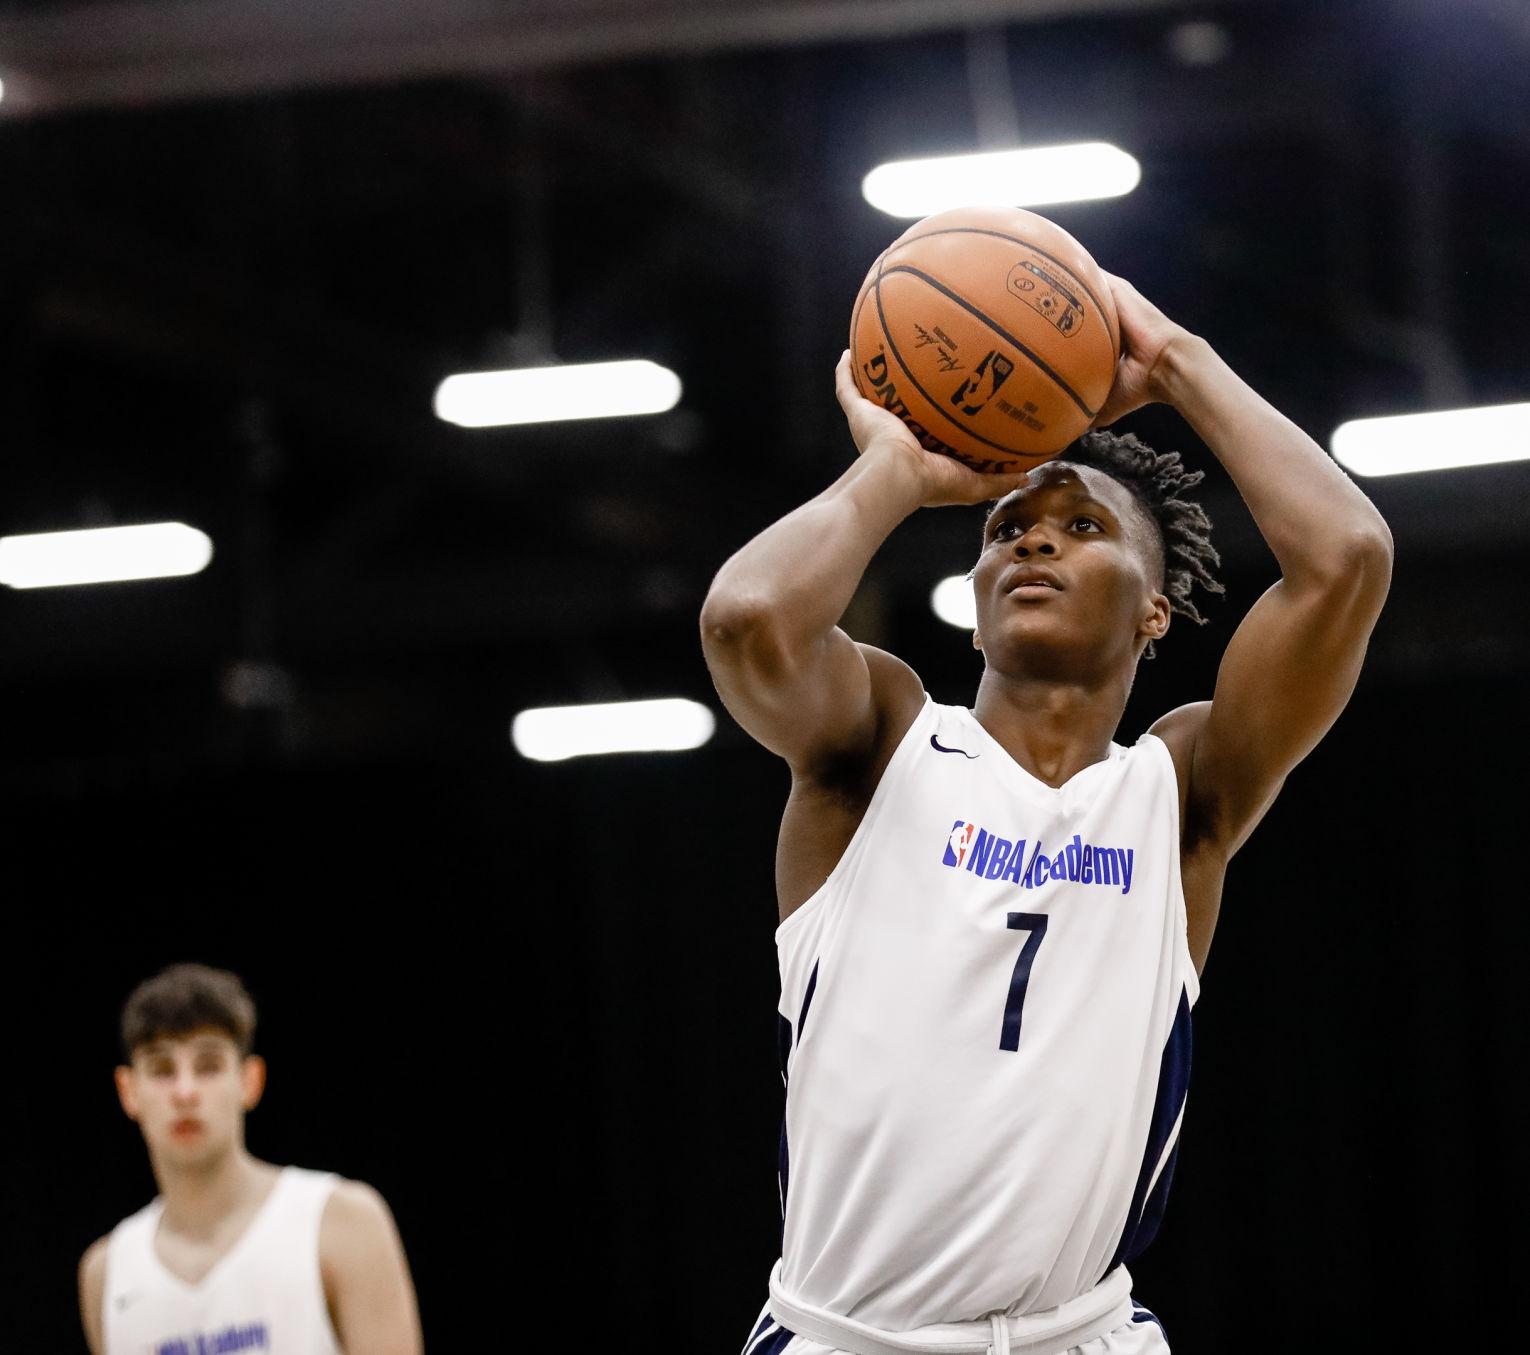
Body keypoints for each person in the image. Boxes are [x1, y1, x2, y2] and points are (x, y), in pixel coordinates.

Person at [701, 274, 1392, 1355]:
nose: (1031, 541)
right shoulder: (882, 739)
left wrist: (1171, 361)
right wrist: (893, 470)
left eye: (1080, 525)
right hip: (851, 1337)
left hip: (1082, 1334)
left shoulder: (1178, 789)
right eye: (1006, 528)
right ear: (973, 605)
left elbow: (1347, 557)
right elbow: (747, 620)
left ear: (1156, 608)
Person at [77, 963, 424, 1355]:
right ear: (128, 1091)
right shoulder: (107, 1272)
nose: (185, 1092)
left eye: (208, 1066)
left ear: (249, 1080)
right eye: (162, 1069)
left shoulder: (342, 1222)